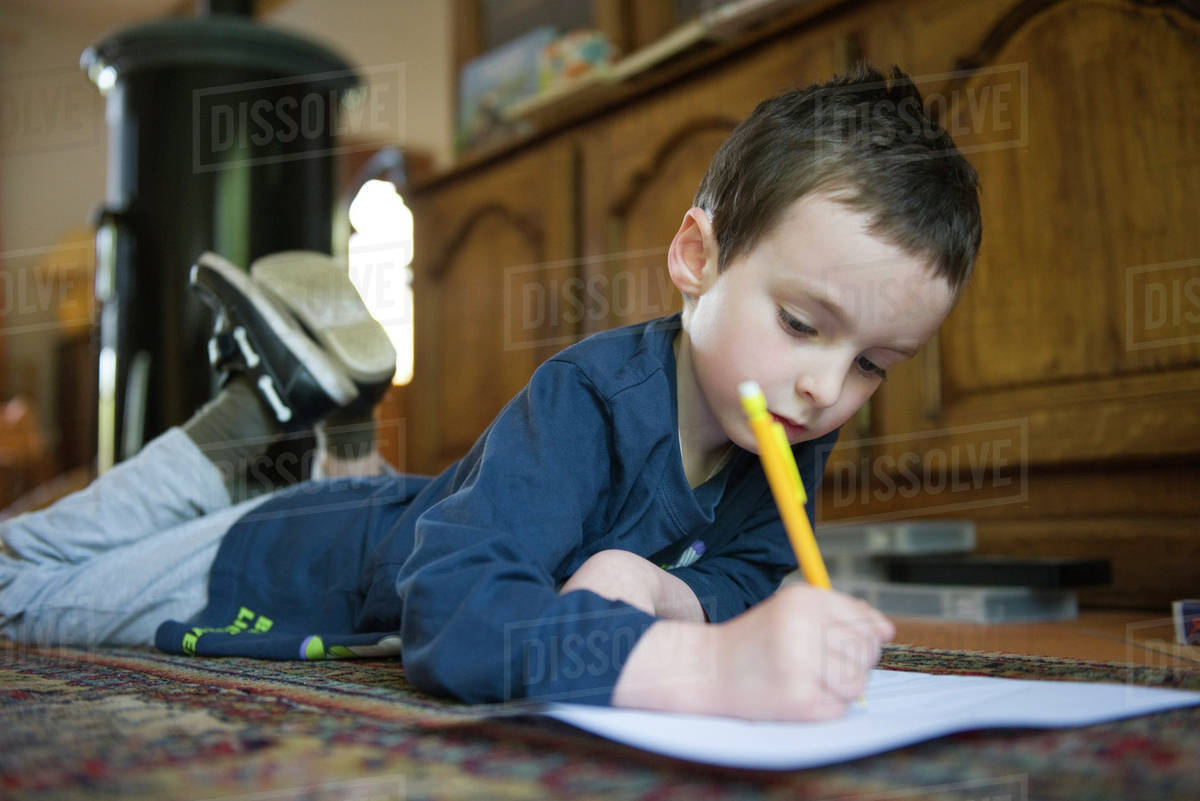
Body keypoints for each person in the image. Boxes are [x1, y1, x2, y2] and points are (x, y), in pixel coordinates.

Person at [0, 64, 980, 722]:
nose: (823, 387)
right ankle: (245, 427)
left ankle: (270, 427)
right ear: (695, 257)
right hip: (279, 566)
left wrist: (660, 588)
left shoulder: (786, 423)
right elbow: (456, 620)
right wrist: (709, 666)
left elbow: (752, 575)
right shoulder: (590, 401)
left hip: (390, 513)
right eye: (804, 324)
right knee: (12, 586)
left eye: (871, 366)